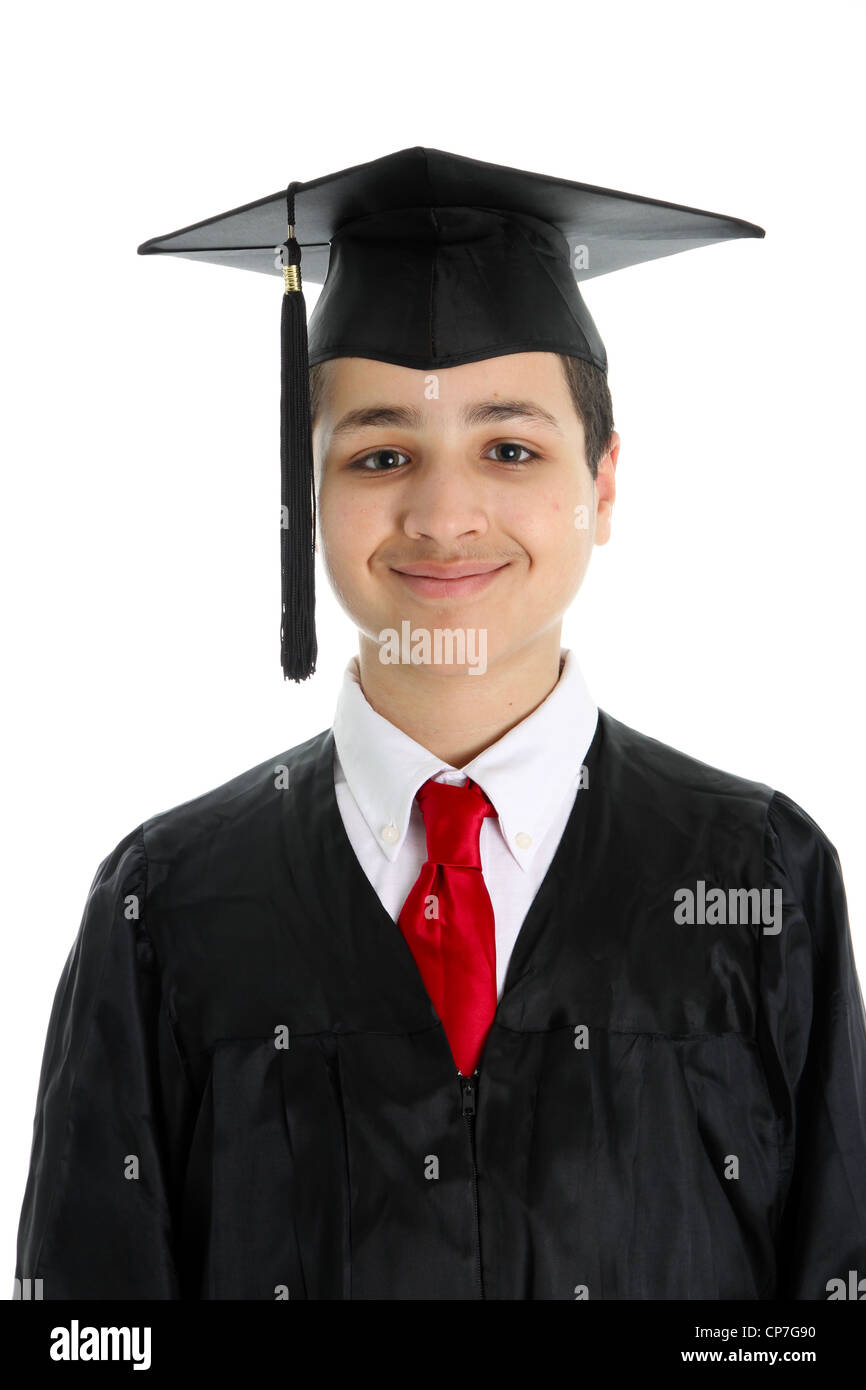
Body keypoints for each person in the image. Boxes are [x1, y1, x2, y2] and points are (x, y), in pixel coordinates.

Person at [14, 148, 866, 1300]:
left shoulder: (758, 877)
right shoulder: (162, 904)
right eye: (379, 455)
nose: (442, 512)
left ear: (601, 487)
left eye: (509, 449)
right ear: (303, 488)